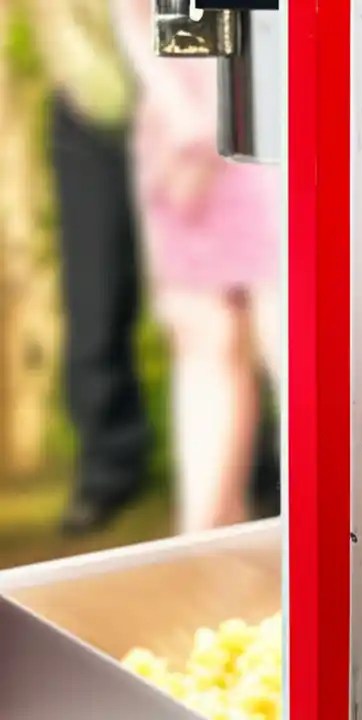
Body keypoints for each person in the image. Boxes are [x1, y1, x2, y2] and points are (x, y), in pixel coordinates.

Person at [113, 0, 282, 533]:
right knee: (202, 336)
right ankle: (205, 539)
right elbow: (133, 13)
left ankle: (327, 538)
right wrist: (178, 104)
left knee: (295, 340)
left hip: (278, 106)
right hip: (183, 127)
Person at [28, 0, 149, 535]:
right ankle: (108, 467)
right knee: (95, 296)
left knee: (223, 302)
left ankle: (261, 466)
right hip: (92, 112)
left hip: (187, 107)